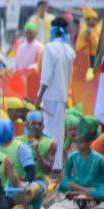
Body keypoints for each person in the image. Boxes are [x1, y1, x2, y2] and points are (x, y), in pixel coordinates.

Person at [38, 16, 75, 172]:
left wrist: (38, 97)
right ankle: (57, 166)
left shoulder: (50, 48)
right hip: (63, 96)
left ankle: (50, 166)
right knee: (58, 133)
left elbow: (46, 76)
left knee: (48, 132)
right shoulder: (70, 50)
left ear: (52, 30)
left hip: (51, 96)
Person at [59, 122, 104, 204]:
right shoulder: (71, 157)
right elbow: (67, 177)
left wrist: (100, 186)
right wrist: (83, 189)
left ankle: (81, 193)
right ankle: (85, 192)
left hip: (95, 186)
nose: (78, 145)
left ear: (89, 143)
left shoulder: (100, 159)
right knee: (62, 185)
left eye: (81, 142)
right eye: (77, 142)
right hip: (78, 185)